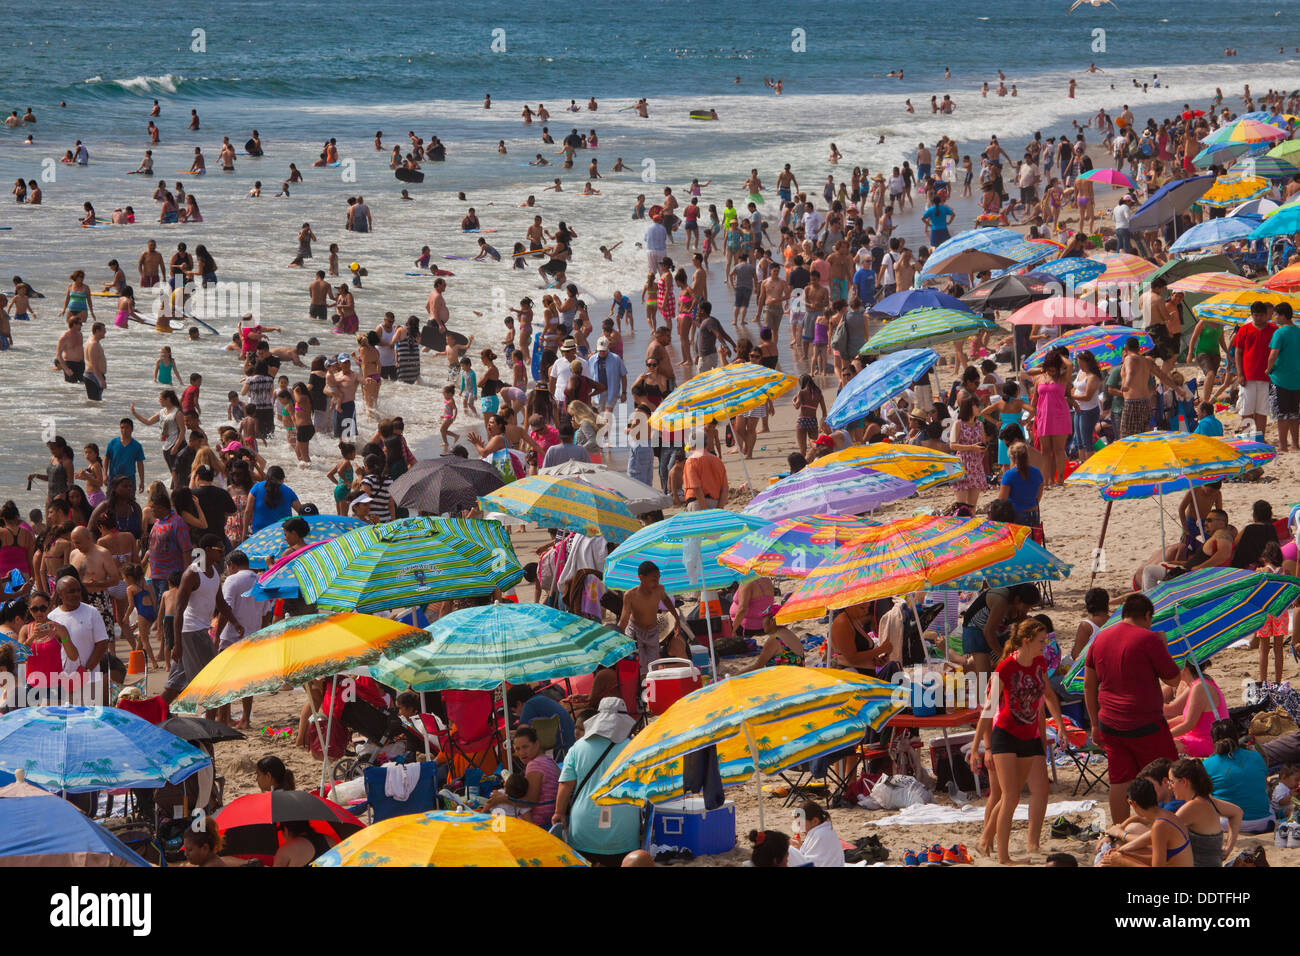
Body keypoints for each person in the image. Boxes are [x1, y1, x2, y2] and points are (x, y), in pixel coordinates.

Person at [971, 618, 1064, 864]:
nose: (1045, 646)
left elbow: (1048, 696)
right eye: (1041, 641)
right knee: (1009, 796)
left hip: (1028, 735)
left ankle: (987, 841)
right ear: (1026, 641)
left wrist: (1061, 726)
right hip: (1005, 735)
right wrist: (977, 748)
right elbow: (988, 710)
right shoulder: (1005, 668)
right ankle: (1004, 857)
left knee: (1010, 797)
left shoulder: (1040, 663)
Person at [1085, 592, 1182, 826]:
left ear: (1124, 614)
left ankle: (1120, 831)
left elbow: (1089, 685)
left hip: (1109, 721)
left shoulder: (1100, 638)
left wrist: (1094, 724)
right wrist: (1163, 645)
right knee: (1165, 775)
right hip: (1144, 722)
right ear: (1147, 616)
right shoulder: (1149, 640)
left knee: (1119, 781)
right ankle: (1162, 828)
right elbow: (1174, 680)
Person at [553, 698, 641, 866]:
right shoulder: (634, 747)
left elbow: (565, 785)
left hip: (584, 829)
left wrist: (559, 813)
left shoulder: (578, 747)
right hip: (623, 829)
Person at [163, 534, 241, 709]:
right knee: (214, 678)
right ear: (206, 550)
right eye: (219, 549)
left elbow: (220, 602)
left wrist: (235, 623)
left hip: (198, 631)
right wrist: (178, 644)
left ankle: (154, 714)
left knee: (175, 683)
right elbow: (179, 610)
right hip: (191, 632)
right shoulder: (192, 573)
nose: (223, 552)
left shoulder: (214, 573)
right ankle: (213, 720)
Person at [1097, 776, 1193, 867]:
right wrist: (1121, 852)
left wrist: (1122, 861)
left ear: (1133, 804)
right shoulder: (1168, 816)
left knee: (1113, 861)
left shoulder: (1159, 826)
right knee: (1118, 855)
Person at [1202, 721, 1273, 834]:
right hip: (1263, 822)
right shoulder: (1256, 756)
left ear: (1213, 740)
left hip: (1225, 824)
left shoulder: (1208, 763)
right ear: (1237, 737)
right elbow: (1263, 785)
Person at [1169, 757, 1242, 866]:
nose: (1170, 787)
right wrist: (1228, 848)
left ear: (1184, 781)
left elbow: (1161, 830)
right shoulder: (1209, 801)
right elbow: (1237, 812)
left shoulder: (1192, 807)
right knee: (1136, 829)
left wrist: (1132, 845)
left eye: (1172, 782)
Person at [618, 560, 684, 677]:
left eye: (658, 579)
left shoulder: (659, 590)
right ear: (642, 578)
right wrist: (616, 635)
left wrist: (677, 619)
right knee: (639, 665)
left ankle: (649, 687)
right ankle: (641, 689)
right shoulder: (630, 595)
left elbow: (667, 602)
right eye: (653, 580)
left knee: (653, 666)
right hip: (635, 631)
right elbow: (623, 620)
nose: (656, 583)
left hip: (653, 631)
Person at [485, 726, 558, 826]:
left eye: (525, 747)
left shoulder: (535, 765)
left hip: (538, 821)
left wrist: (501, 799)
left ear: (536, 744)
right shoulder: (550, 761)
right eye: (517, 749)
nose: (521, 753)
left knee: (495, 819)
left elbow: (530, 801)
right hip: (551, 816)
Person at [1227, 300, 1278, 443]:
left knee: (1262, 409)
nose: (1258, 318)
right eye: (1255, 315)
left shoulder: (1273, 330)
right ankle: (1246, 438)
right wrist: (1240, 373)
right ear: (1252, 315)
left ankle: (1260, 438)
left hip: (1266, 376)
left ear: (1265, 315)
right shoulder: (1244, 329)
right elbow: (1238, 352)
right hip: (1248, 375)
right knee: (1246, 408)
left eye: (1261, 315)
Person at [1267, 301, 1300, 452]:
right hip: (1296, 378)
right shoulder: (1298, 331)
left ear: (1282, 316)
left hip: (1281, 378)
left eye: (1276, 314)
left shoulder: (1279, 332)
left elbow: (1273, 354)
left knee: (1282, 414)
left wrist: (1268, 368)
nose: (1274, 317)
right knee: (1294, 413)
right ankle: (1295, 444)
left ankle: (1282, 445)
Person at [243, 466, 301, 534]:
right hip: (283, 534)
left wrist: (244, 534)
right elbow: (301, 511)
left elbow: (247, 512)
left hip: (259, 534)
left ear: (267, 477)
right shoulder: (288, 491)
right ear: (282, 480)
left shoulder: (256, 487)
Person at [997, 442, 1043, 526]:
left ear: (1012, 458)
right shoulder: (1036, 472)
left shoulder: (1009, 475)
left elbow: (1002, 500)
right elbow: (1038, 496)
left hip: (1016, 515)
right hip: (1033, 514)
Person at [791, 801, 844, 866]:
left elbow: (811, 863)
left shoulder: (820, 834)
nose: (801, 830)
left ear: (815, 821)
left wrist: (796, 852)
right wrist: (800, 847)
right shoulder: (824, 830)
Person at [682, 443, 728, 510]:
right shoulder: (717, 460)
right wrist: (720, 509)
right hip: (715, 502)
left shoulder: (691, 460)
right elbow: (725, 488)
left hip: (698, 502)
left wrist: (704, 509)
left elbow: (696, 487)